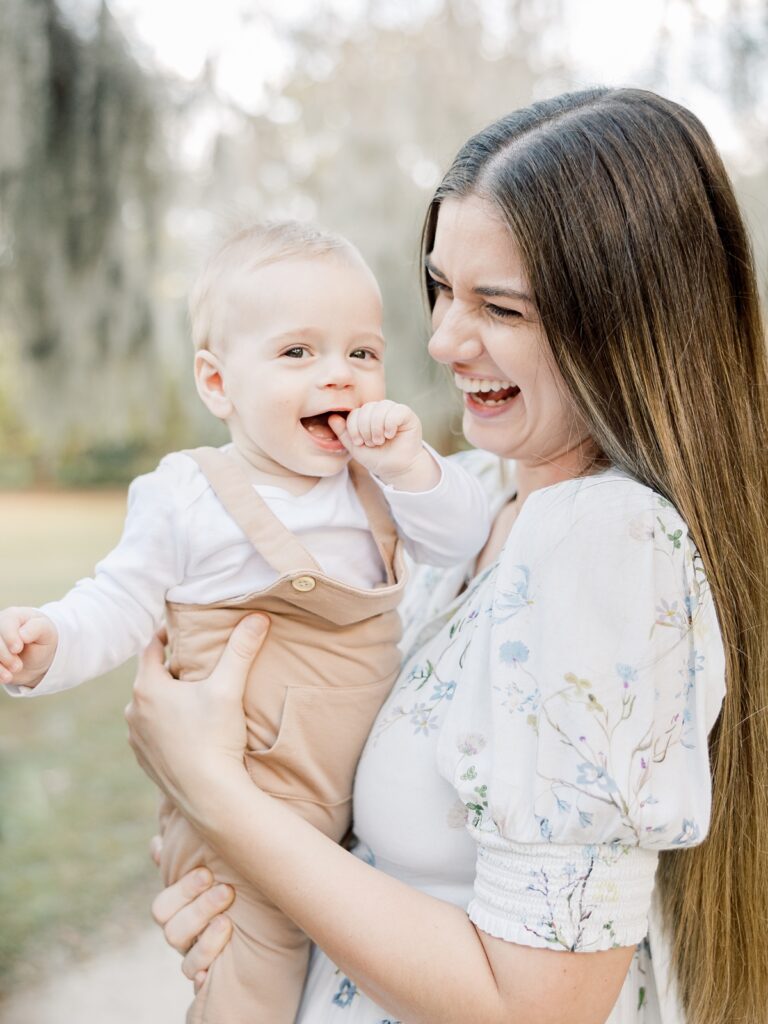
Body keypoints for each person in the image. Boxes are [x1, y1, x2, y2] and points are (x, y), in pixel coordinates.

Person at [129, 86, 768, 1024]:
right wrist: (236, 894)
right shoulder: (463, 501)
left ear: (626, 325)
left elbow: (539, 1008)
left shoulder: (606, 548)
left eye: (498, 309)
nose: (441, 340)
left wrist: (221, 798)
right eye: (439, 289)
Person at [0, 220, 492, 1024]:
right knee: (252, 990)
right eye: (298, 353)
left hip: (356, 804)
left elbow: (463, 537)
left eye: (361, 353)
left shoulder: (376, 484)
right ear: (218, 383)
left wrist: (411, 466)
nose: (339, 374)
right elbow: (119, 601)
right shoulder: (187, 496)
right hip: (253, 801)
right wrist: (49, 642)